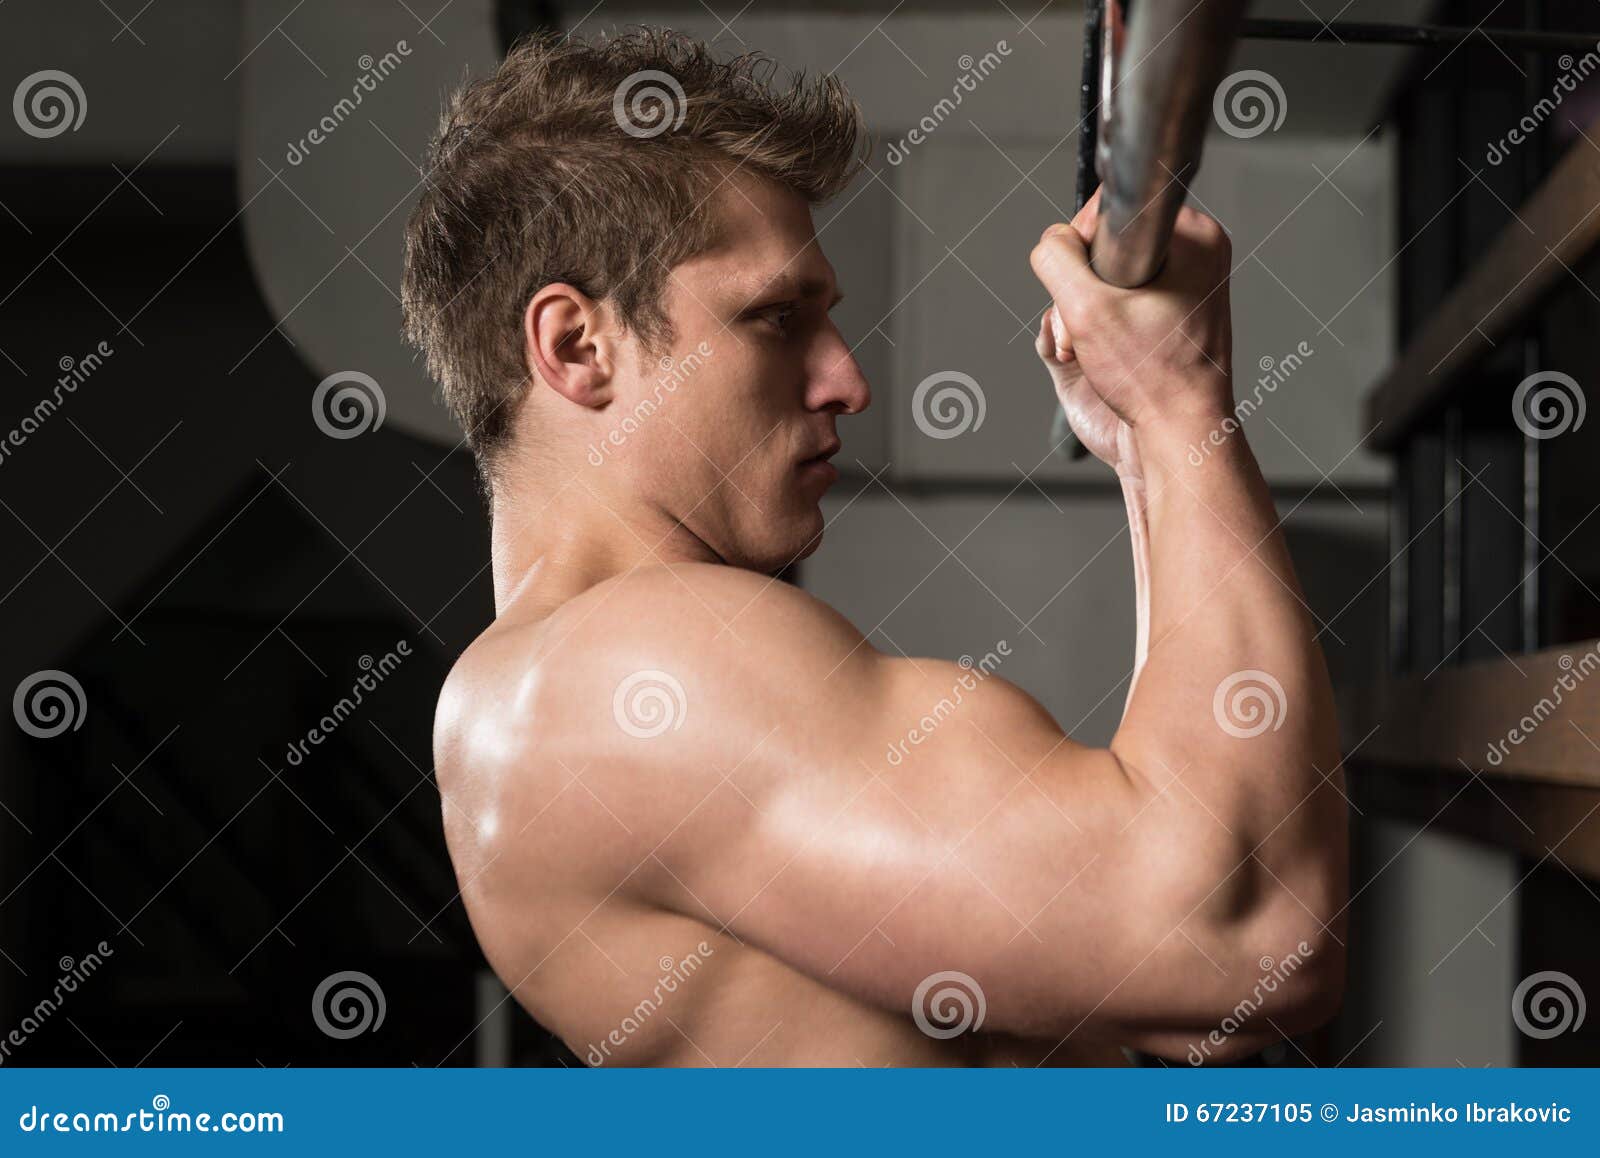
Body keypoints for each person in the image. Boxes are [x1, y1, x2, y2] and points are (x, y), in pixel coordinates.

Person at [402, 27, 1347, 1067]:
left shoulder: (536, 694)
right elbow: (1244, 936)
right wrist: (1177, 399)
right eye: (774, 319)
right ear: (580, 347)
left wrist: (1143, 452)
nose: (845, 380)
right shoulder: (630, 669)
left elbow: (1178, 1001)